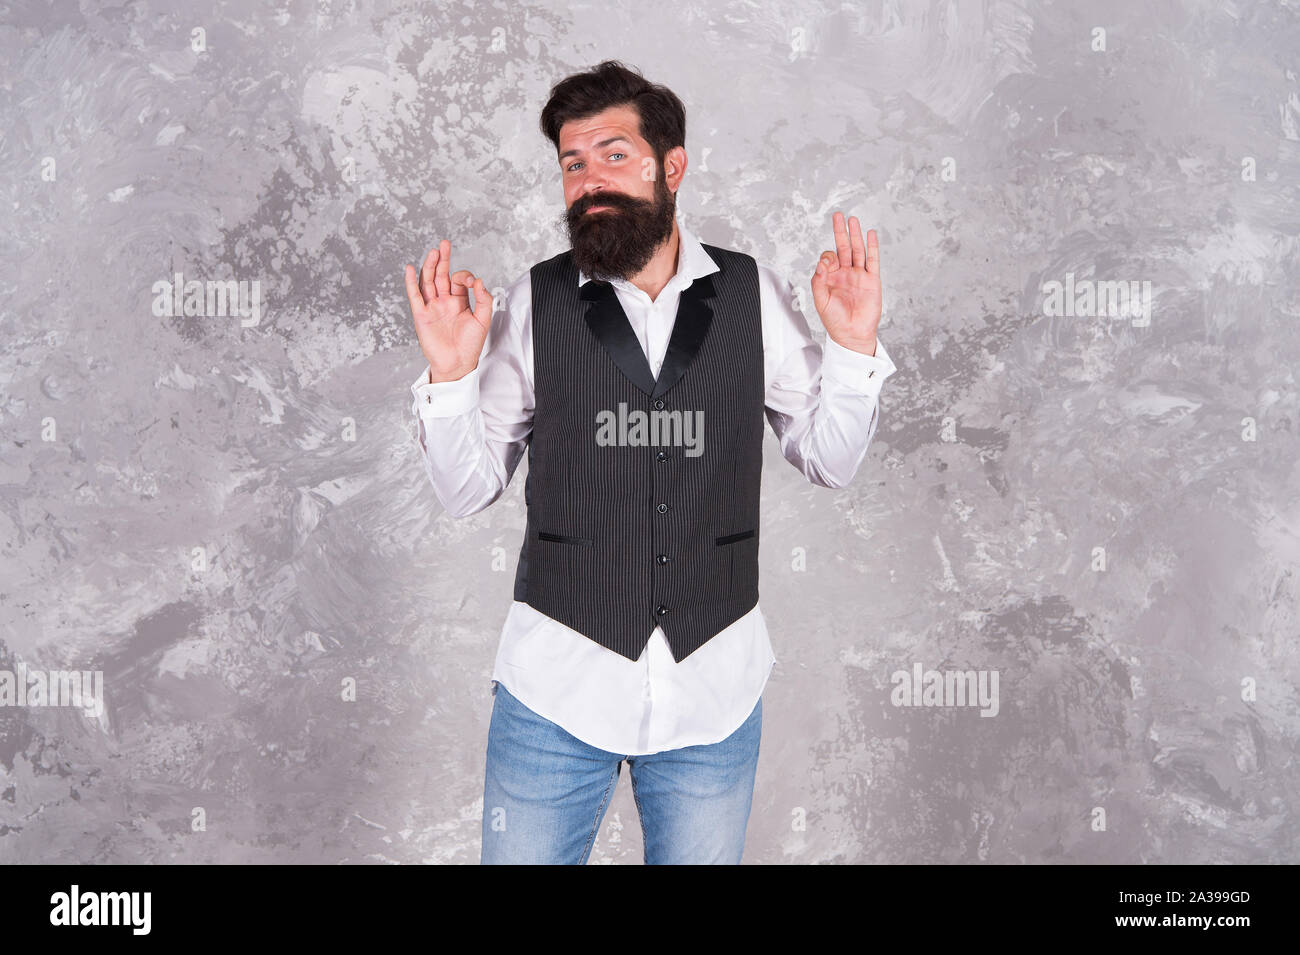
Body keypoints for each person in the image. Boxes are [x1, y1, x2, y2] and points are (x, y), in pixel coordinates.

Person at [404, 60, 897, 864]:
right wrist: (451, 377)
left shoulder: (753, 294)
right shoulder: (534, 302)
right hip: (555, 693)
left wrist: (852, 349)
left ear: (672, 166)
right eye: (573, 163)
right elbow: (466, 491)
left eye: (614, 154)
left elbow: (831, 460)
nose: (590, 179)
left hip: (713, 690)